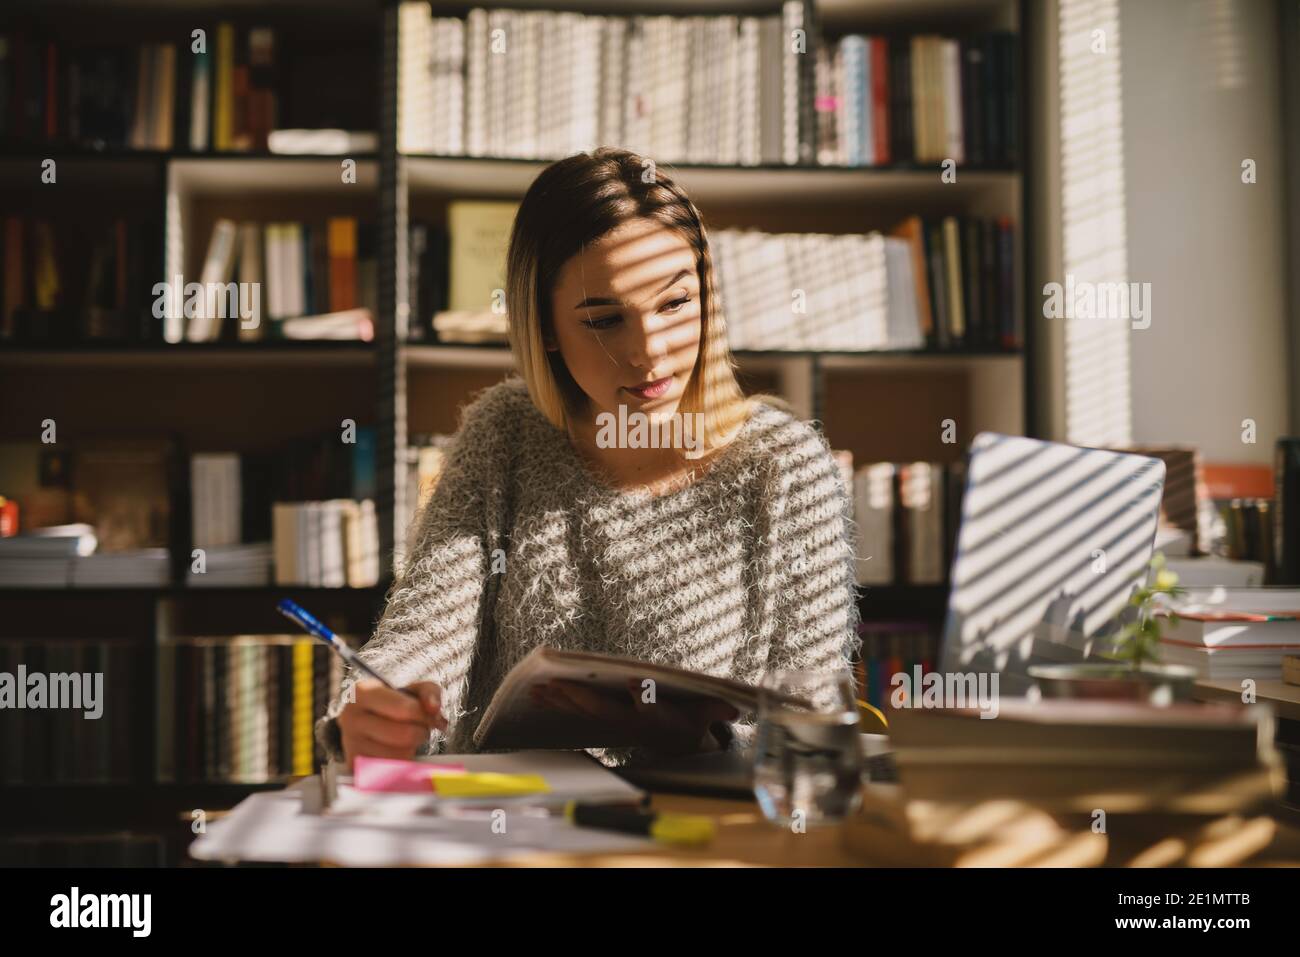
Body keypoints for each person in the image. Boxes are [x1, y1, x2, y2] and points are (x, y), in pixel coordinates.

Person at [317, 147, 860, 770]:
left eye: (676, 304)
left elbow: (811, 717)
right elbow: (428, 629)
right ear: (544, 327)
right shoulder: (506, 434)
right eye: (604, 320)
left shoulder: (785, 464)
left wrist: (710, 747)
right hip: (519, 833)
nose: (649, 352)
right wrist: (387, 707)